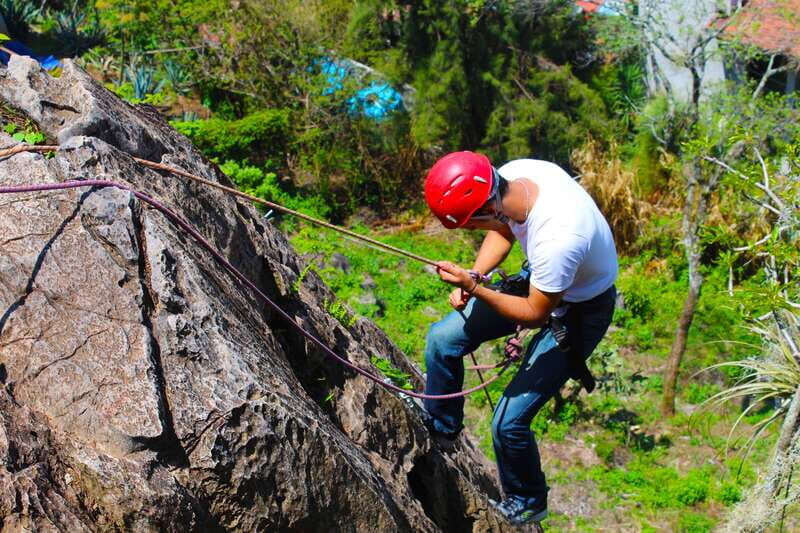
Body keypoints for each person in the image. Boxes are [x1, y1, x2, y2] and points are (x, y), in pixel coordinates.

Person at [422, 151, 618, 525]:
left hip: (582, 310)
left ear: (488, 207)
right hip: (546, 280)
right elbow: (503, 230)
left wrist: (474, 289)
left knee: (508, 423)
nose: (471, 231)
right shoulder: (512, 177)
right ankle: (442, 423)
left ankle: (529, 498)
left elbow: (534, 314)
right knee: (442, 339)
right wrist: (476, 275)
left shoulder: (559, 236)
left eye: (469, 224)